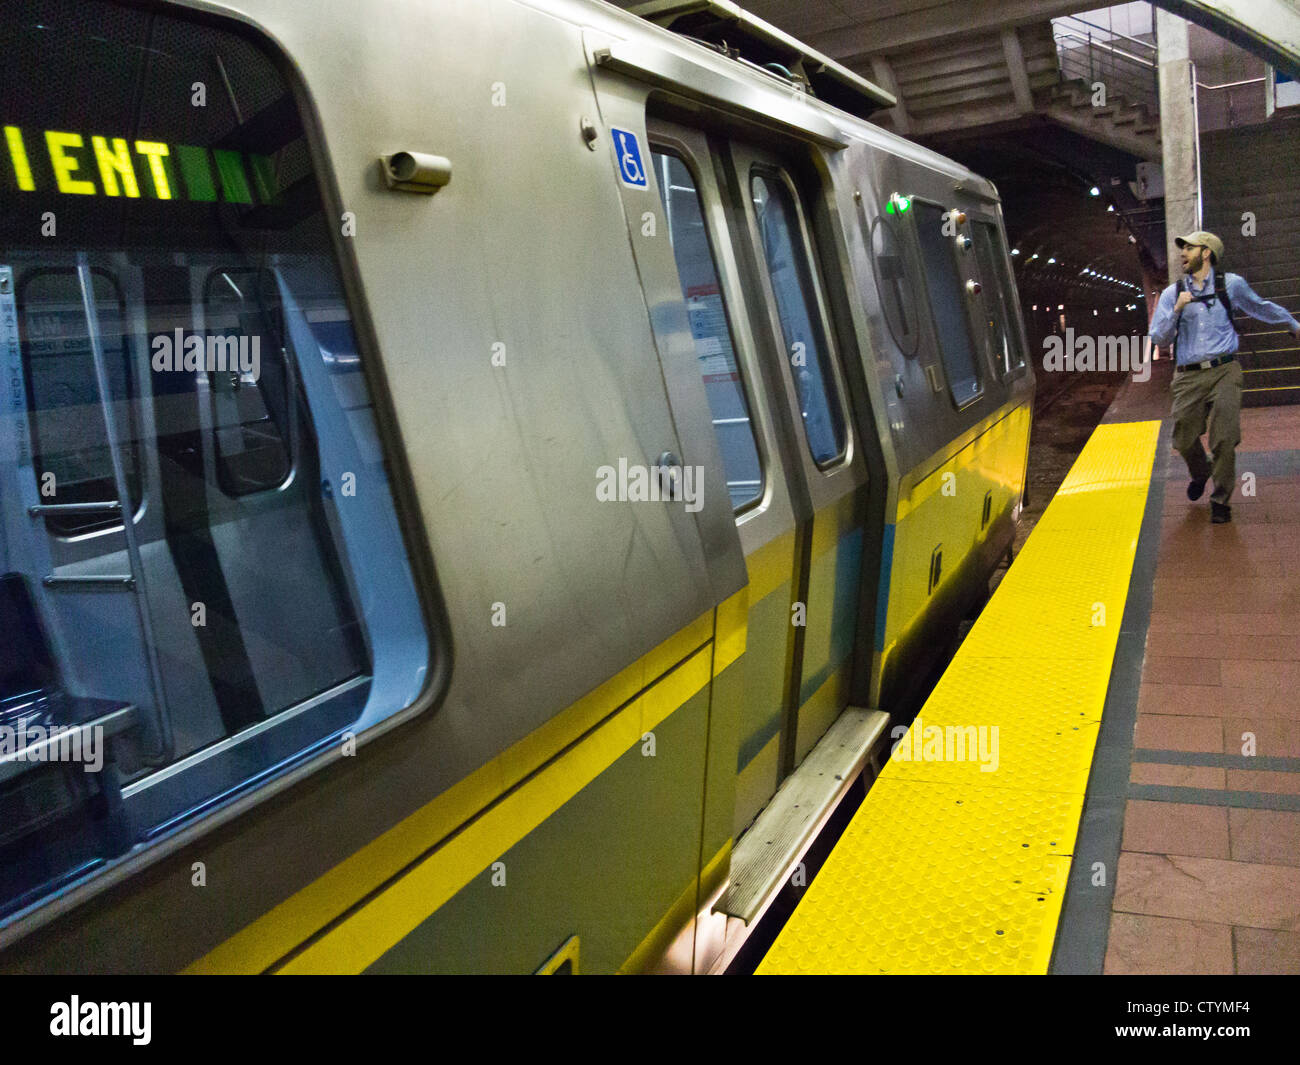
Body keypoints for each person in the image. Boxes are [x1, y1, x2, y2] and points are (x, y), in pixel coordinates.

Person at [1149, 231, 1300, 523]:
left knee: (1224, 438)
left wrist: (1292, 323)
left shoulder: (1231, 285)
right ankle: (1201, 472)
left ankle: (1221, 500)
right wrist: (1177, 310)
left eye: (1189, 248)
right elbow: (1159, 337)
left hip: (1224, 370)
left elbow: (1260, 306)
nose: (1182, 253)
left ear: (1206, 253)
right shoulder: (1172, 293)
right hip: (1187, 376)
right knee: (1183, 438)